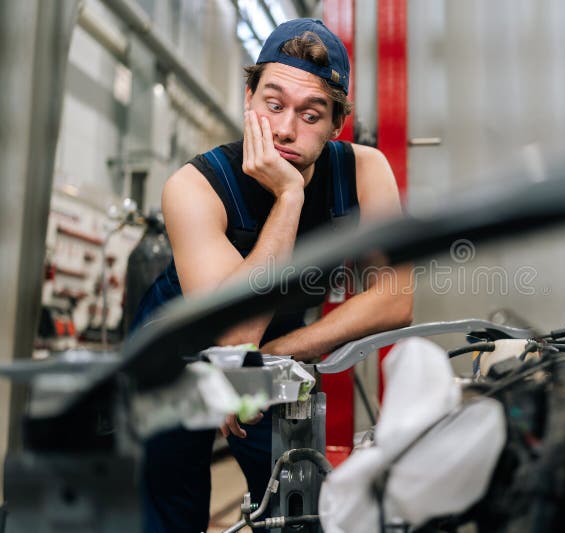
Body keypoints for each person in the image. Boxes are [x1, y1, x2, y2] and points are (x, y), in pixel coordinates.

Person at [130, 18, 413, 532]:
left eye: (311, 114)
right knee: (173, 508)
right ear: (248, 98)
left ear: (337, 125)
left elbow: (394, 299)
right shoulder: (194, 187)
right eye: (274, 104)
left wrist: (275, 357)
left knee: (297, 497)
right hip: (173, 357)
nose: (285, 129)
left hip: (273, 349)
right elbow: (233, 337)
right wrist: (288, 198)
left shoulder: (364, 172)